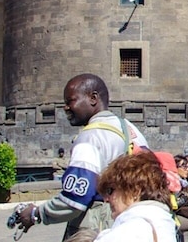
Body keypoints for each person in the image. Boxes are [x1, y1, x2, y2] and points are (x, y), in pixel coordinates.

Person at [11, 74, 152, 242]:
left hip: (99, 228)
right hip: (136, 223)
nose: (65, 107)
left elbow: (75, 198)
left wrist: (36, 213)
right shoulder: (131, 130)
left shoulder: (90, 137)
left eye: (70, 101)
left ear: (93, 98)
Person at [92, 151, 179, 242]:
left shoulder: (134, 230)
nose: (106, 199)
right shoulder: (162, 223)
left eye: (110, 191)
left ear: (135, 191)